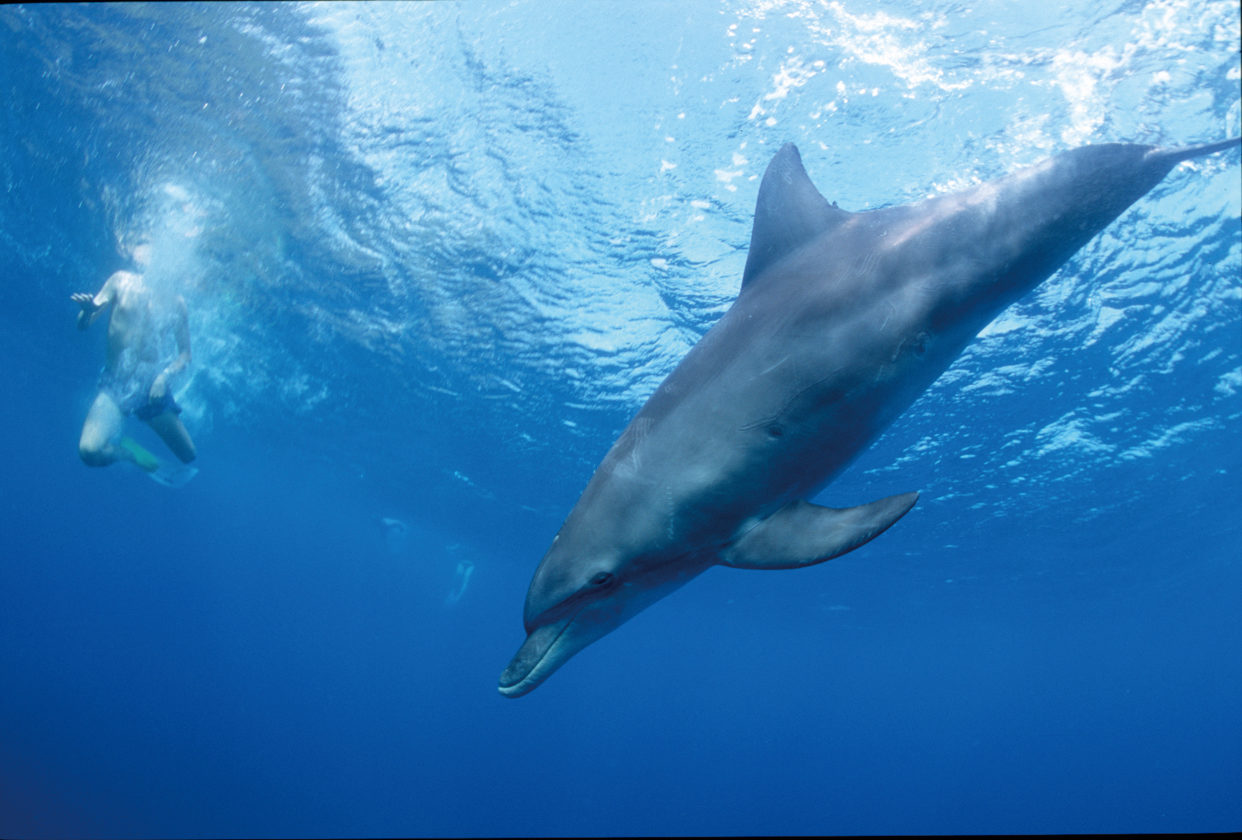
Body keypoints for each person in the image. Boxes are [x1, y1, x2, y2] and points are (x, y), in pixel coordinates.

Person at [73, 243, 197, 471]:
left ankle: (140, 430)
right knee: (88, 452)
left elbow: (185, 354)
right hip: (116, 384)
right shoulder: (120, 281)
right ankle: (128, 453)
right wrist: (88, 312)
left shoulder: (177, 303)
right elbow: (83, 324)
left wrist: (164, 377)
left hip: (151, 390)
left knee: (188, 455)